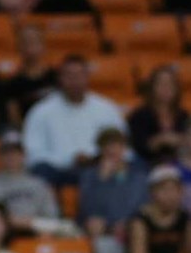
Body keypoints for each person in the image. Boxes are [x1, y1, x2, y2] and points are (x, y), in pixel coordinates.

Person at [22, 56, 126, 185]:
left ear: (87, 77)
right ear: (60, 79)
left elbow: (121, 143)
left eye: (79, 75)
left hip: (100, 167)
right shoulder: (41, 111)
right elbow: (34, 153)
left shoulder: (107, 109)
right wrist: (69, 160)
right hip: (58, 171)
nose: (75, 80)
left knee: (131, 168)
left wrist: (96, 159)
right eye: (69, 76)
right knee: (40, 171)